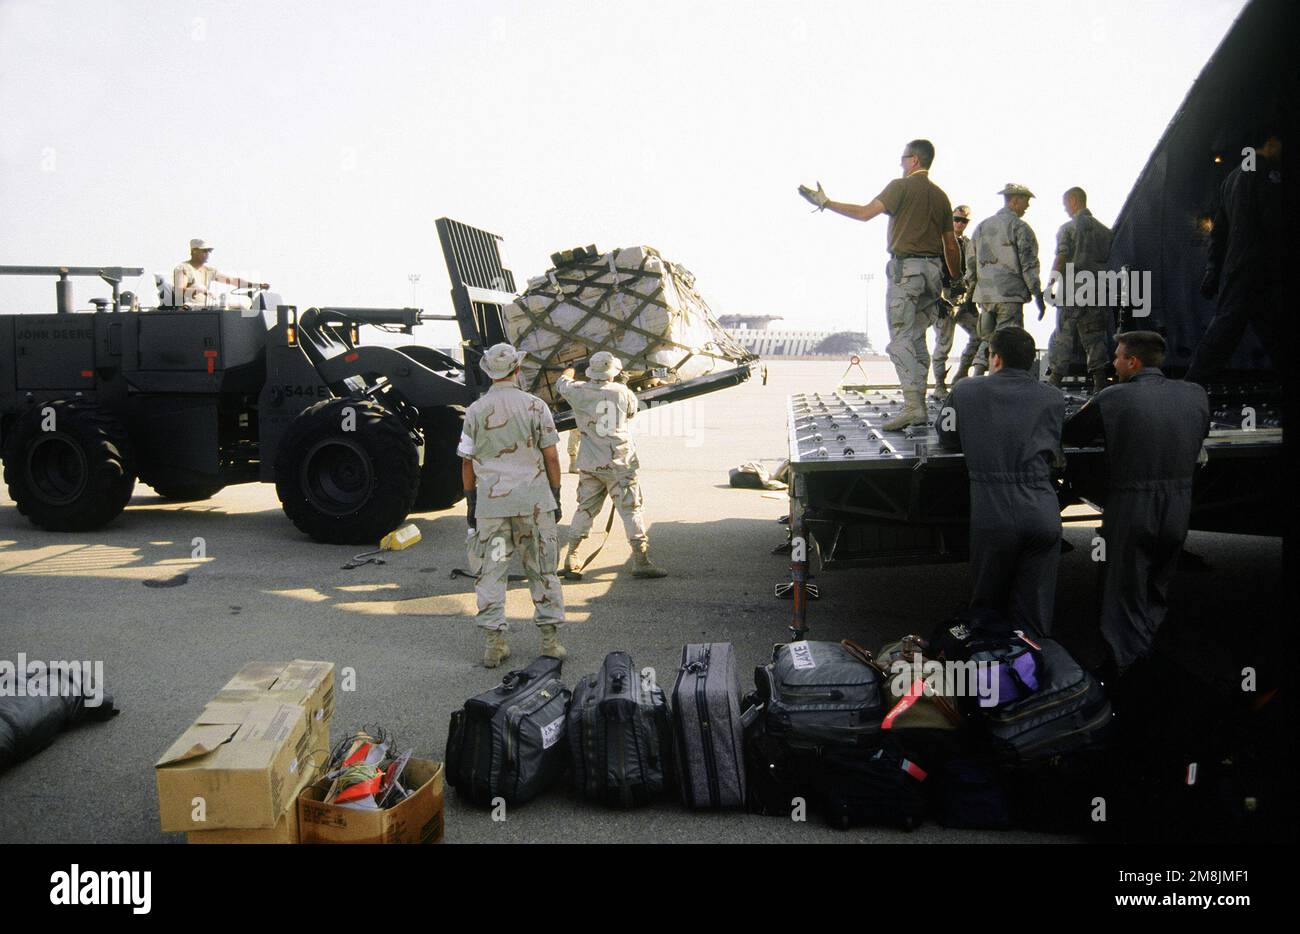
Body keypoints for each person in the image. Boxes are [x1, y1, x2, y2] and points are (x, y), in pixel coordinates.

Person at [1063, 331, 1209, 679]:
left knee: (1121, 592)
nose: (1113, 363)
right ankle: (1151, 658)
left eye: (1116, 357)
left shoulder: (1113, 397)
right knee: (1156, 586)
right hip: (1178, 506)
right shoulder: (1195, 394)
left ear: (1133, 362)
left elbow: (1073, 434)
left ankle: (1126, 673)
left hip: (1133, 503)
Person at [799, 139, 963, 428]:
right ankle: (919, 403)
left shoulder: (899, 187)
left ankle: (913, 407)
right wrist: (956, 280)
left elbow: (864, 213)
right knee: (917, 339)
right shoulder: (941, 196)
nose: (900, 164)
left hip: (907, 272)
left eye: (903, 158)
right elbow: (951, 245)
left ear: (913, 160)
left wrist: (826, 203)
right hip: (934, 273)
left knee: (900, 340)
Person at [937, 326, 1064, 635]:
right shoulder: (1053, 396)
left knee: (986, 610)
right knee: (1035, 614)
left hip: (993, 513)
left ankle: (992, 674)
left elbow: (947, 435)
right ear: (1030, 360)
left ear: (994, 358)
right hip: (1045, 512)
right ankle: (1035, 672)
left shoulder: (966, 390)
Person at [459, 343, 567, 667]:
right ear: (517, 370)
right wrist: (556, 494)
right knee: (543, 570)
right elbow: (551, 456)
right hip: (533, 503)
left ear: (490, 374)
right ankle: (550, 643)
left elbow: (466, 463)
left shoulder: (475, 411)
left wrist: (471, 501)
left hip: (491, 508)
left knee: (490, 573)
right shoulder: (536, 407)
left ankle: (495, 646)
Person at [556, 352, 667, 579]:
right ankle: (641, 560)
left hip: (591, 463)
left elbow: (561, 382)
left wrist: (571, 367)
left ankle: (572, 557)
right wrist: (621, 385)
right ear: (613, 373)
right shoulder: (623, 392)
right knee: (631, 510)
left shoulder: (577, 391)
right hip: (620, 463)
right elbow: (630, 412)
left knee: (585, 509)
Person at [1185, 128, 1283, 384]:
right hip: (1260, 267)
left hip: (1237, 265)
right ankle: (1192, 383)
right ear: (1270, 143)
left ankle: (1193, 383)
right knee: (1229, 327)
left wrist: (1213, 270)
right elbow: (1274, 223)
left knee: (1266, 329)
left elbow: (1219, 232)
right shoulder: (1266, 175)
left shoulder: (1231, 179)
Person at [969, 184, 1046, 372]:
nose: (1027, 207)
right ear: (1015, 200)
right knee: (1008, 342)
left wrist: (972, 292)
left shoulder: (982, 227)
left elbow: (971, 264)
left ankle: (978, 375)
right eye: (1026, 202)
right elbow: (1029, 265)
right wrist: (1038, 295)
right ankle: (1001, 383)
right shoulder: (1020, 227)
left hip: (986, 296)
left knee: (988, 338)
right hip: (1009, 295)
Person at [1046, 187, 1113, 392]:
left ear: (1074, 201)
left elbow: (1061, 258)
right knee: (1095, 338)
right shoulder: (1105, 232)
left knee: (1063, 336)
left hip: (1071, 292)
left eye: (1065, 203)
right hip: (1097, 291)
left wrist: (1050, 285)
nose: (1065, 208)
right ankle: (1100, 385)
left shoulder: (1067, 228)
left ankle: (1053, 383)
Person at [931, 204, 981, 391]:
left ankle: (962, 372)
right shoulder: (938, 243)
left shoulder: (968, 244)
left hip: (963, 299)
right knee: (944, 343)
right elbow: (932, 271)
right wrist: (937, 297)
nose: (960, 223)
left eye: (964, 220)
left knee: (981, 334)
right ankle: (939, 385)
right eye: (956, 219)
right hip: (944, 299)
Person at [172, 238, 269, 308]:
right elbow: (179, 291)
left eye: (209, 251)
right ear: (194, 251)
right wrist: (199, 290)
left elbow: (233, 281)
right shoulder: (184, 268)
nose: (207, 254)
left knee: (241, 305)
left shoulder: (209, 271)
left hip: (207, 307)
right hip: (191, 308)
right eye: (204, 251)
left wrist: (256, 285)